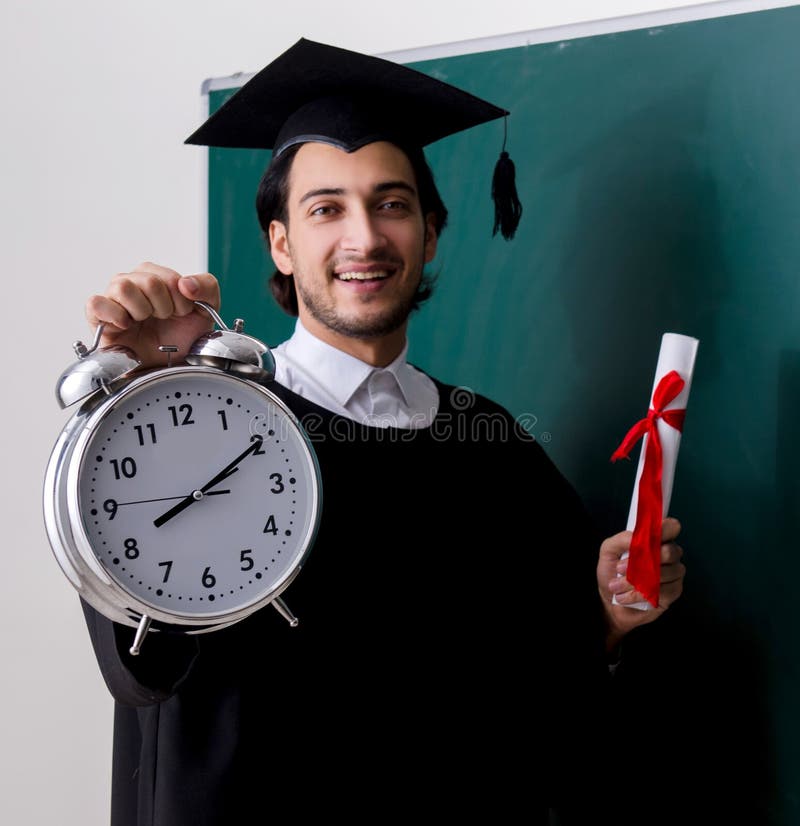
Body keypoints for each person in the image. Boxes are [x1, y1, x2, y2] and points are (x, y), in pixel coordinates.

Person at [80, 39, 685, 826]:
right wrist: (135, 405)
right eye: (326, 208)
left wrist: (606, 615)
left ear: (430, 233)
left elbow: (538, 690)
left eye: (391, 204)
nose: (364, 238)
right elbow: (143, 666)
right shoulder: (206, 422)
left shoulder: (491, 444)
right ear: (281, 243)